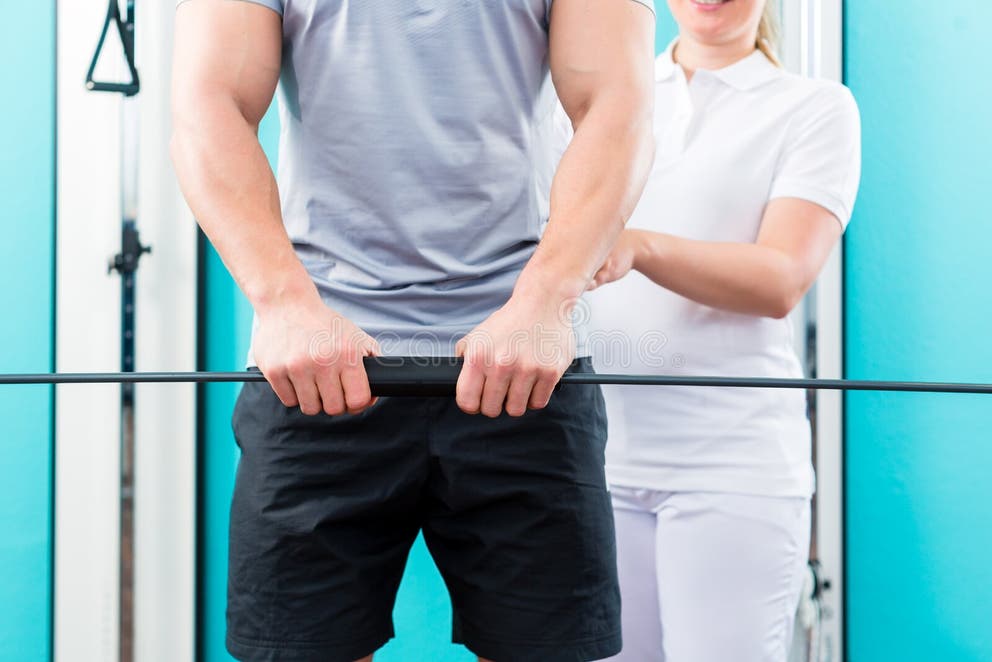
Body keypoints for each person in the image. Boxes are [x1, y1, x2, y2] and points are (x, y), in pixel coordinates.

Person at [170, 1, 655, 661]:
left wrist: (545, 301)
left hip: (525, 362)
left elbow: (615, 106)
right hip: (319, 362)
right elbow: (209, 102)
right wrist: (285, 303)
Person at [547, 1, 861, 660]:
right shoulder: (600, 102)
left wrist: (639, 246)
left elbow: (781, 279)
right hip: (599, 462)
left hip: (735, 467)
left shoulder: (814, 107)